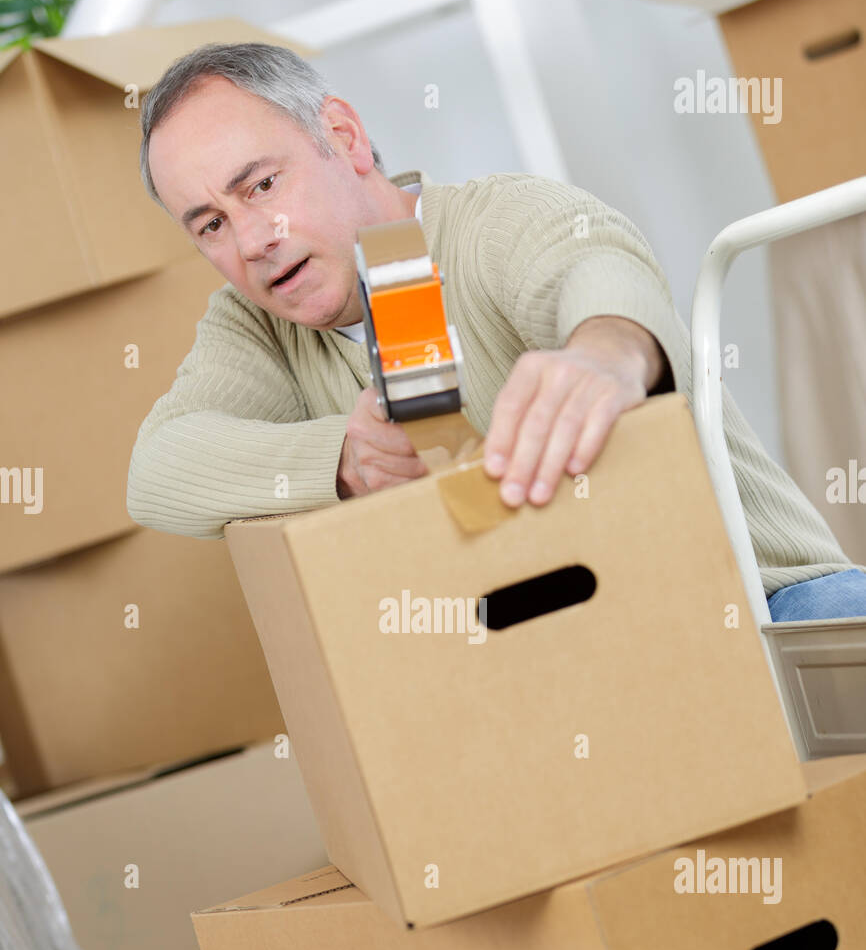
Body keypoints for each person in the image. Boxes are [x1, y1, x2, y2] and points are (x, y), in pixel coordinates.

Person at [127, 41, 866, 623]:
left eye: (261, 185)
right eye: (212, 224)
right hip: (552, 660)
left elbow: (597, 270)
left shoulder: (499, 222)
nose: (252, 239)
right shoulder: (254, 325)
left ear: (345, 138)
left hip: (764, 600)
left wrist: (607, 355)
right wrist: (345, 459)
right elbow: (158, 469)